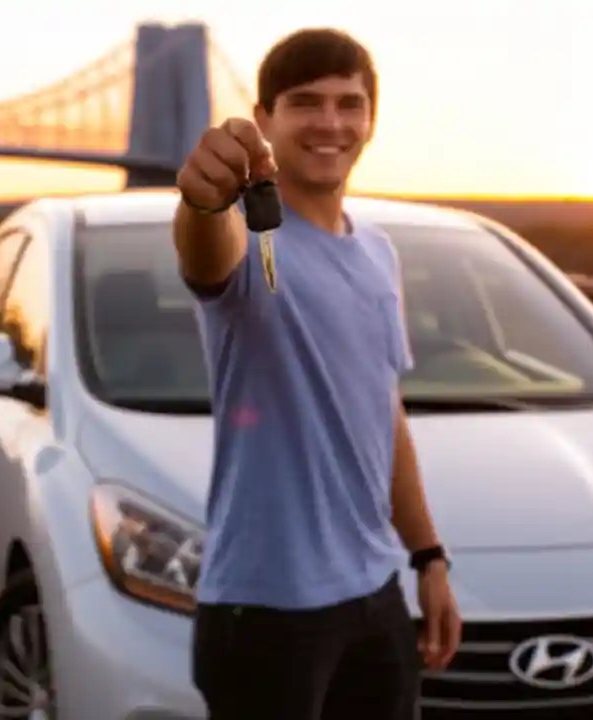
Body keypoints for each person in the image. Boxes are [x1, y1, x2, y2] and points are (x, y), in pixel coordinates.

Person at [171, 27, 462, 720]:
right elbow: (210, 254)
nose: (331, 122)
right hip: (269, 611)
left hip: (374, 594)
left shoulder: (378, 254)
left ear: (369, 121)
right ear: (265, 118)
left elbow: (381, 413)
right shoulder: (254, 240)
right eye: (305, 103)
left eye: (349, 103)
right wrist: (204, 201)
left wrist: (428, 555)